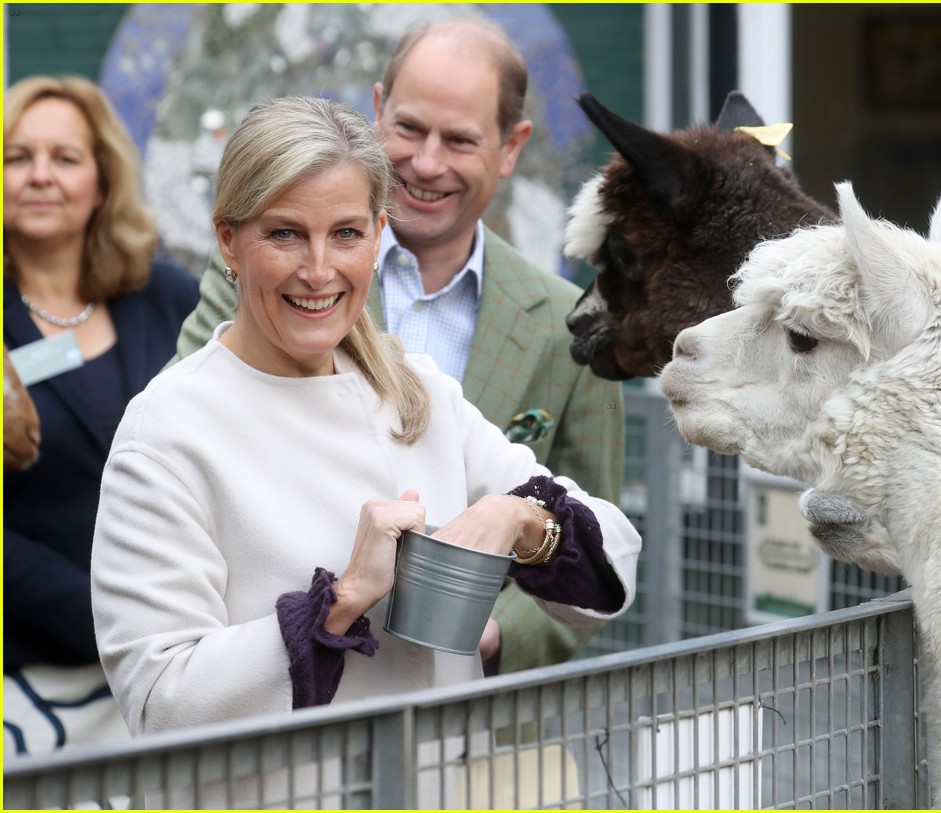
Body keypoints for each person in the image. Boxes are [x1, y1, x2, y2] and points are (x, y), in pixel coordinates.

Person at [90, 96, 640, 734]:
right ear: (228, 242)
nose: (319, 271)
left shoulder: (418, 392)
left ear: (379, 237)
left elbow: (614, 565)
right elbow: (159, 700)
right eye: (285, 233)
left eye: (346, 234)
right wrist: (341, 602)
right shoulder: (168, 431)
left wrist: (520, 520)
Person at [171, 18, 626, 677]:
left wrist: (487, 631)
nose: (427, 162)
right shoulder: (266, 277)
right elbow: (201, 430)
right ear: (378, 109)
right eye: (410, 129)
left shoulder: (566, 322)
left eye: (460, 140)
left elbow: (594, 514)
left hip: (481, 714)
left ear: (510, 146)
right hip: (282, 681)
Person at [2, 75, 200, 756]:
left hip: (179, 662)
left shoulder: (169, 296)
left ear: (103, 176)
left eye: (64, 157)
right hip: (33, 678)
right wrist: (103, 615)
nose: (39, 176)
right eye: (16, 156)